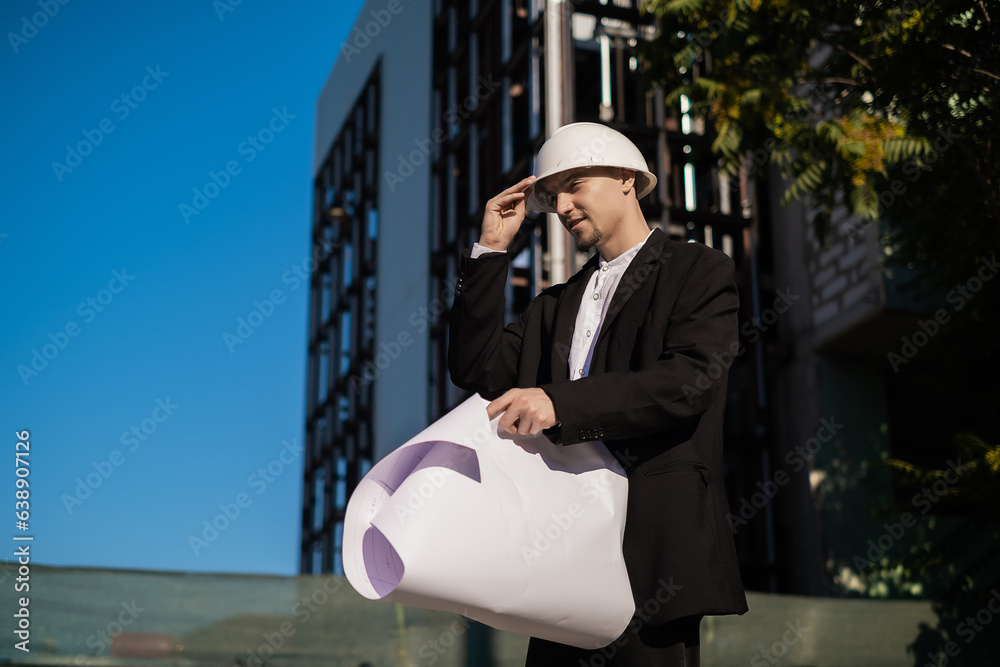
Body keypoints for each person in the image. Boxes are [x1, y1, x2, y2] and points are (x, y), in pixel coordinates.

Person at [448, 122, 748, 666]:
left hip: (653, 552)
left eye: (576, 185)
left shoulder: (697, 269)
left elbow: (690, 380)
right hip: (563, 557)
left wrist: (561, 403)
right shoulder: (553, 305)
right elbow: (476, 368)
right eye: (553, 195)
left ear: (628, 179)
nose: (562, 206)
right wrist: (490, 250)